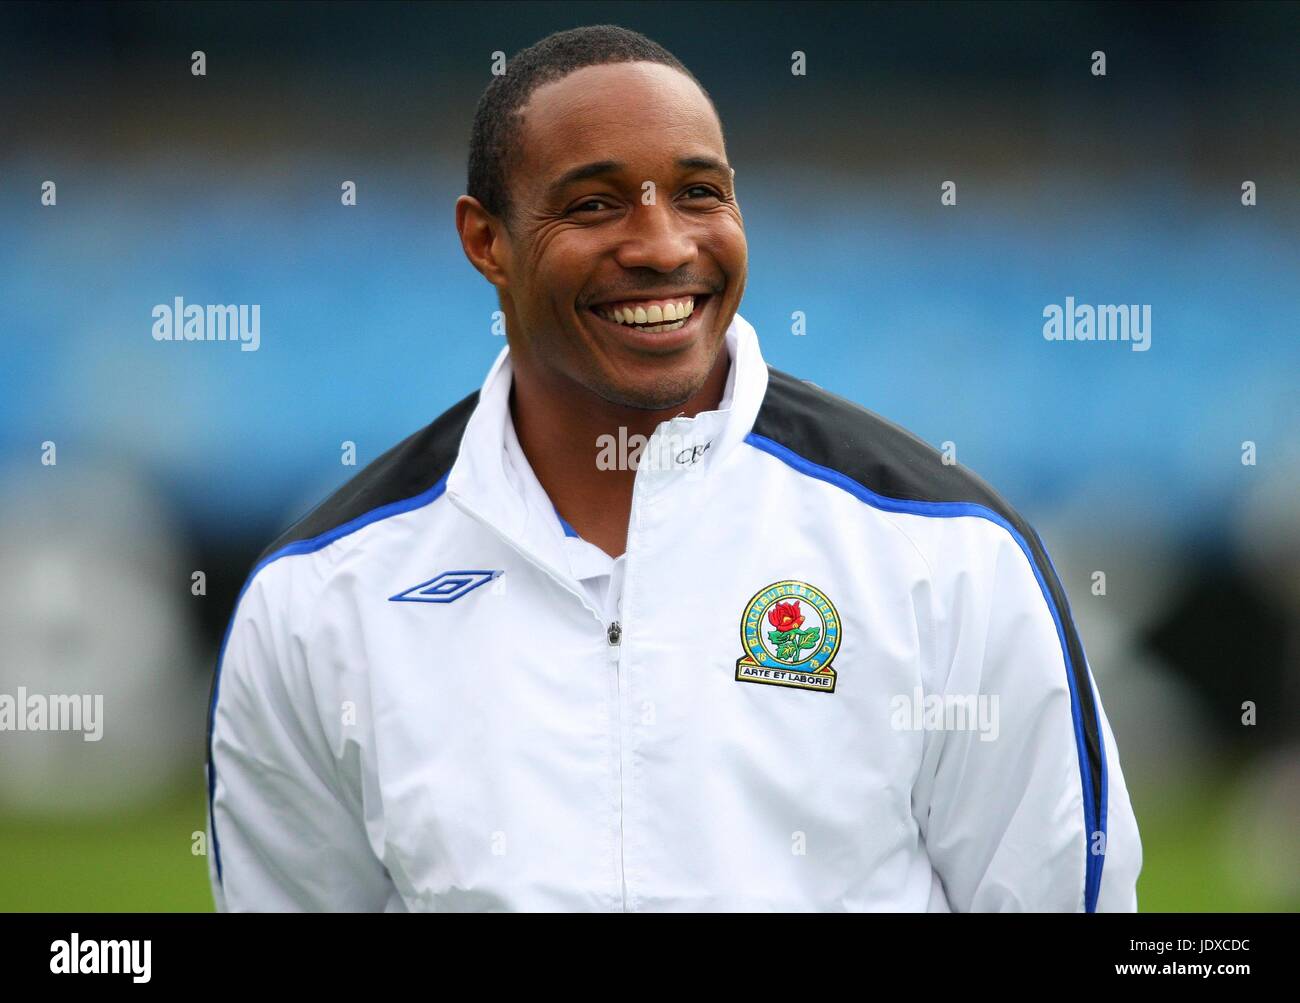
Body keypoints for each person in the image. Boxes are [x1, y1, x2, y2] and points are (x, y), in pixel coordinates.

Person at [206, 24, 1141, 912]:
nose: (662, 247)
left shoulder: (947, 552)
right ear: (485, 240)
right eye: (594, 203)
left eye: (699, 192)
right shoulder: (321, 596)